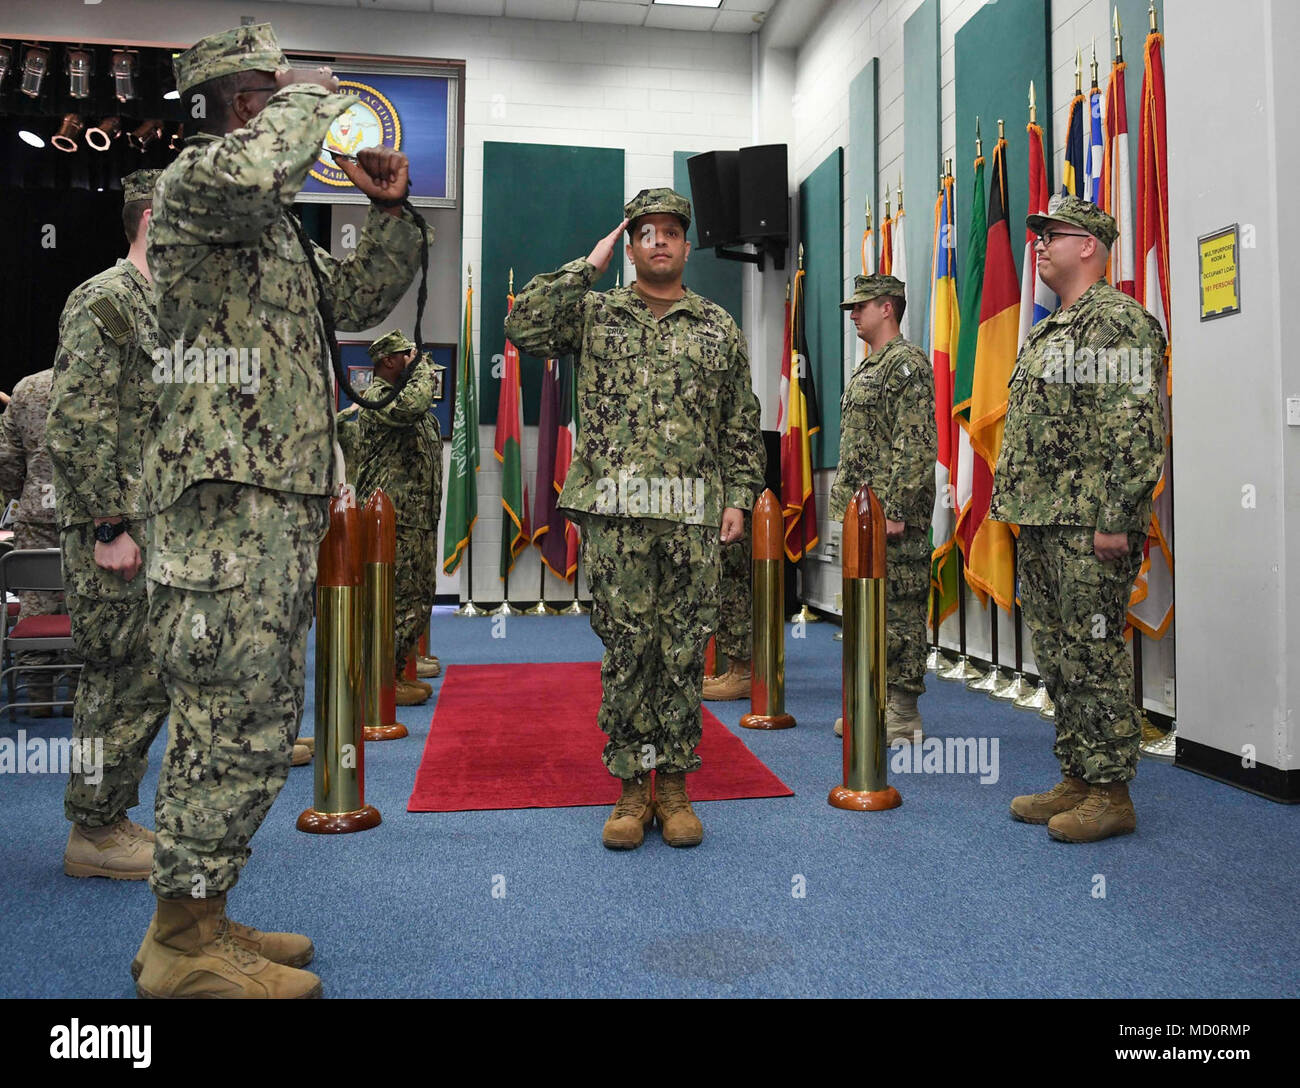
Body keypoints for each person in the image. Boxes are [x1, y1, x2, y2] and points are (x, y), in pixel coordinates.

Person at [135, 22, 432, 999]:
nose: (300, 111)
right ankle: (182, 943)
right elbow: (258, 166)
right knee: (235, 718)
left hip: (269, 498)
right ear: (243, 103)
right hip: (226, 499)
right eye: (275, 93)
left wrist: (389, 212)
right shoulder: (199, 186)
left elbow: (355, 297)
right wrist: (314, 95)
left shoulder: (264, 229)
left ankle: (200, 914)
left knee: (249, 714)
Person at [506, 188, 764, 850]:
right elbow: (523, 325)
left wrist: (738, 496)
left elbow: (740, 418)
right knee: (628, 651)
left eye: (670, 232)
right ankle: (630, 787)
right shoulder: (594, 315)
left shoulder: (715, 325)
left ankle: (673, 786)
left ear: (684, 246)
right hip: (618, 515)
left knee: (681, 652)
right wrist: (585, 267)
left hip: (691, 516)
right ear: (630, 244)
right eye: (644, 232)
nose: (658, 241)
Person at [990, 195, 1165, 844]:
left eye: (1051, 235)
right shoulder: (1050, 327)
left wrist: (1117, 517)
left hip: (1091, 523)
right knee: (1059, 655)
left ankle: (1112, 791)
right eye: (1035, 235)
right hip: (1042, 519)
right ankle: (1078, 774)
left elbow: (1136, 425)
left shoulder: (1117, 322)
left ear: (1089, 244)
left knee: (1092, 653)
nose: (1038, 244)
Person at [45, 169, 170, 883]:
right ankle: (91, 829)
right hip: (114, 530)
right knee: (116, 677)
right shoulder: (106, 300)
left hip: (148, 526)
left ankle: (106, 813)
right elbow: (75, 421)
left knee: (140, 678)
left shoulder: (159, 305)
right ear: (152, 218)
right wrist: (108, 525)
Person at [828, 273, 936, 743]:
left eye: (861, 307)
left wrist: (898, 508)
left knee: (901, 610)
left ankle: (904, 712)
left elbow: (914, 442)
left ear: (888, 308)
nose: (854, 315)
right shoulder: (870, 366)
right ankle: (873, 701)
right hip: (862, 513)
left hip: (891, 517)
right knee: (868, 609)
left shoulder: (905, 363)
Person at [349, 330, 444, 707]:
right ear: (388, 361)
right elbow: (409, 407)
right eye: (408, 357)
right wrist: (421, 371)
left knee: (416, 599)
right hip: (393, 520)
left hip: (416, 519)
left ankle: (392, 673)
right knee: (394, 601)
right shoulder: (375, 397)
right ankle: (379, 681)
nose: (418, 365)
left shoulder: (404, 400)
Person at [0, 367, 69, 716]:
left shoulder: (26, 387)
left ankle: (39, 697)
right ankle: (76, 692)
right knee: (87, 601)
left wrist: (17, 496)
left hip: (35, 511)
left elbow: (7, 459)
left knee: (35, 599)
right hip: (93, 512)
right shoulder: (102, 380)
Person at [702, 512, 752, 701]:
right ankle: (733, 670)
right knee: (723, 581)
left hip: (733, 504)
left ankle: (743, 672)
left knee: (732, 582)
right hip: (718, 502)